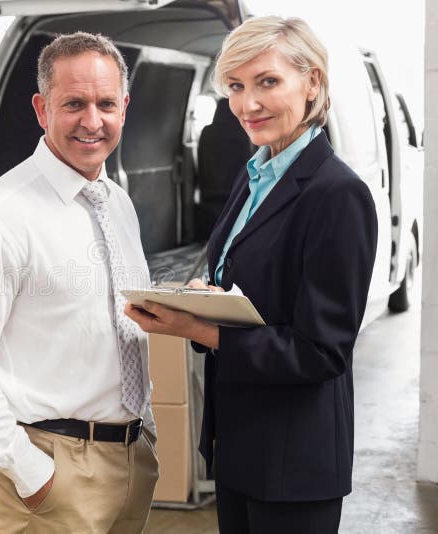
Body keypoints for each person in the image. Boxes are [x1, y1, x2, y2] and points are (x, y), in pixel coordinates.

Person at [126, 17, 378, 534]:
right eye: (236, 87)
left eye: (267, 82)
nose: (247, 104)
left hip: (295, 460)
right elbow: (255, 290)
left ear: (312, 83)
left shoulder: (336, 194)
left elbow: (322, 351)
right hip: (240, 447)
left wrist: (194, 328)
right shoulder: (255, 172)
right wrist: (207, 298)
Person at [0, 32, 158, 533]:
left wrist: (146, 432)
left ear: (125, 107)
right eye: (73, 103)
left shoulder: (116, 202)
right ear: (41, 109)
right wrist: (27, 471)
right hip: (52, 469)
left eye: (106, 103)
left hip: (129, 458)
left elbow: (121, 326)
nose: (92, 121)